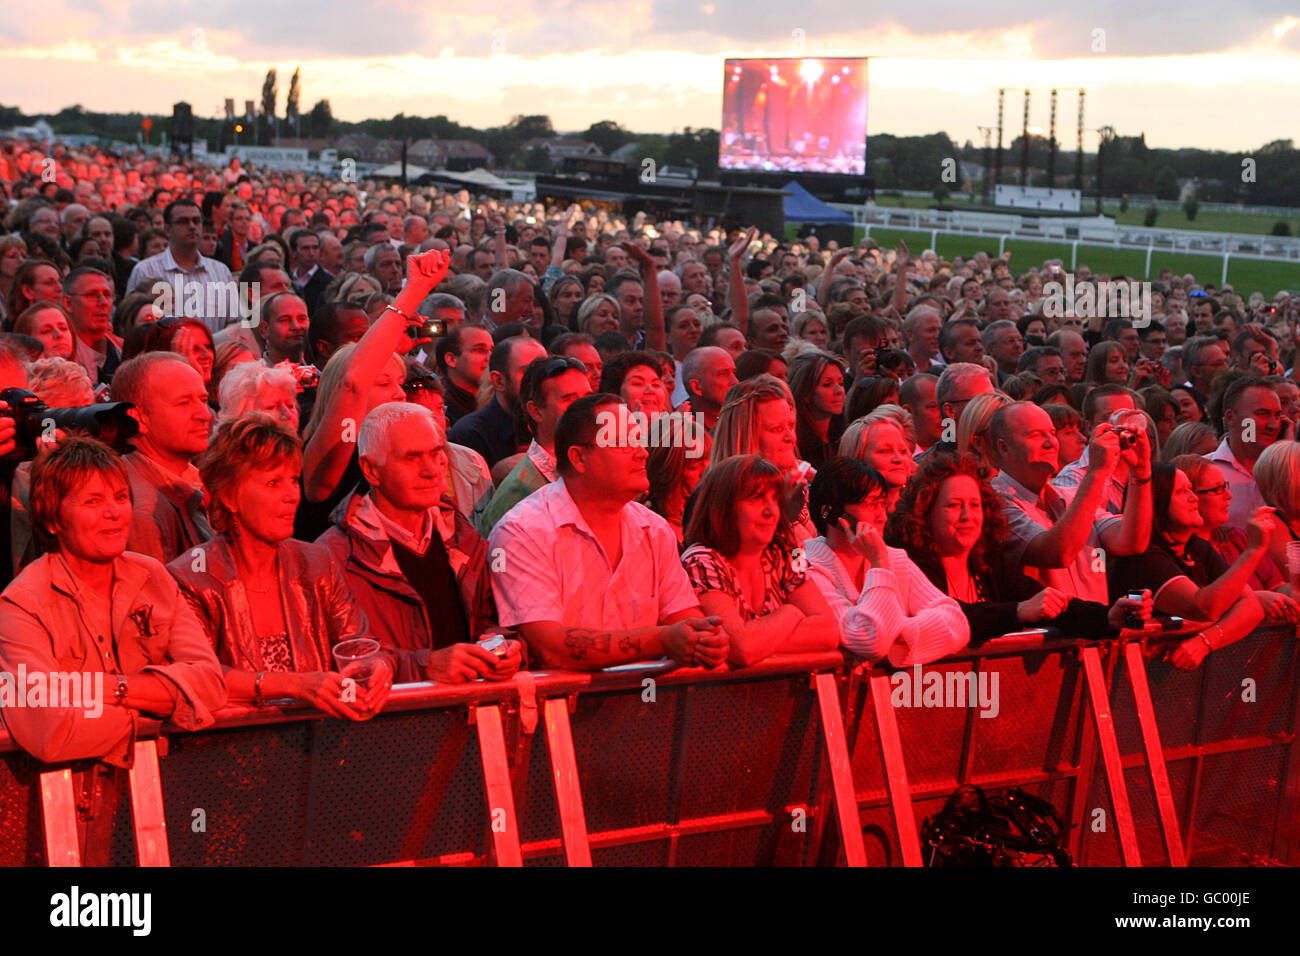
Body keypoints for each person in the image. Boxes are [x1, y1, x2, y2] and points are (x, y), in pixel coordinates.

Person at [0, 437, 225, 862]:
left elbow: (210, 684)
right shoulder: (21, 603)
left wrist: (107, 690)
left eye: (121, 497)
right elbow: (49, 729)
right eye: (92, 501)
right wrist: (164, 708)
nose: (114, 513)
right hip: (60, 824)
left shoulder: (154, 577)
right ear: (52, 518)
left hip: (166, 803)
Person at [170, 415, 393, 718]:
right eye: (274, 482)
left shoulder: (317, 563)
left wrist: (377, 666)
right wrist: (294, 685)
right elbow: (197, 674)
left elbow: (358, 646)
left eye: (294, 480)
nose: (291, 496)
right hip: (231, 741)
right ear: (229, 496)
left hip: (321, 738)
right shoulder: (190, 578)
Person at [488, 395, 729, 670]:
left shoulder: (654, 530)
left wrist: (705, 639)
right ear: (578, 458)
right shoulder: (522, 532)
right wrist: (662, 640)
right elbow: (550, 648)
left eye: (639, 440)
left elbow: (684, 617)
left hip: (645, 695)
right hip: (562, 697)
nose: (643, 453)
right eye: (624, 443)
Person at [318, 403, 522, 684]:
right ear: (371, 470)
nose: (431, 470)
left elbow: (486, 618)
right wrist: (425, 668)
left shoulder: (463, 536)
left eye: (435, 454)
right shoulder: (332, 558)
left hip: (468, 706)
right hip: (394, 711)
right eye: (412, 458)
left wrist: (502, 645)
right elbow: (346, 660)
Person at [888, 452, 1151, 645]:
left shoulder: (990, 561)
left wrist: (1109, 616)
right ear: (926, 512)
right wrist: (1018, 611)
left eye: (975, 505)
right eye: (953, 505)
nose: (967, 516)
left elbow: (1050, 603)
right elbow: (945, 615)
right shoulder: (908, 561)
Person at [804, 457, 969, 663]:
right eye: (871, 504)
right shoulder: (808, 567)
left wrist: (897, 630)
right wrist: (878, 564)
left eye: (883, 504)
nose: (882, 516)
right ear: (831, 512)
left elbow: (957, 622)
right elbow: (870, 640)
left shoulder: (893, 558)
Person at [680, 455, 838, 667]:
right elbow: (741, 648)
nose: (771, 511)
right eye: (756, 499)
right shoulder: (701, 560)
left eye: (775, 499)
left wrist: (757, 640)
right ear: (723, 506)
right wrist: (792, 612)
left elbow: (830, 631)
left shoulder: (785, 553)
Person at [989, 400, 1153, 604]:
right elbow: (1058, 553)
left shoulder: (1071, 496)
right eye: (1036, 435)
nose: (1050, 443)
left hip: (1097, 623)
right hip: (1049, 625)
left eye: (1051, 433)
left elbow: (1131, 542)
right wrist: (1097, 471)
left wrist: (1141, 472)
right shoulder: (995, 502)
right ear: (1004, 447)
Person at [1108, 463, 1268, 670]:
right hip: (1128, 674)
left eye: (1191, 489)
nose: (1194, 498)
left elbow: (1252, 606)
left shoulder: (1196, 546)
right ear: (1156, 502)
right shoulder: (1143, 555)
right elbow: (1203, 607)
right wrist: (1253, 551)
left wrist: (1204, 642)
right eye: (1181, 492)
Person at [111, 353, 214, 564]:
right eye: (184, 403)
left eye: (203, 400)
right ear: (139, 418)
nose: (205, 415)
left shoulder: (192, 481)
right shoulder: (144, 513)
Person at [477, 355, 592, 535]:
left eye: (588, 397)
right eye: (569, 399)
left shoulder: (592, 468)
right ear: (536, 411)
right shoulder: (519, 493)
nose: (585, 408)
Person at [711, 374, 817, 541]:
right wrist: (784, 515)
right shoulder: (724, 504)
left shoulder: (796, 483)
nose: (791, 437)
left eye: (791, 426)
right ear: (745, 438)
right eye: (776, 429)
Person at [1173, 454, 1287, 594]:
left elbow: (1277, 586)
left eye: (1225, 486)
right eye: (1217, 489)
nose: (1229, 495)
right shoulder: (1178, 556)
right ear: (1189, 497)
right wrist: (1259, 598)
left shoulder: (1236, 537)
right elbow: (1208, 604)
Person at [126, 198, 235, 332]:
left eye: (196, 221)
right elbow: (131, 322)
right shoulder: (146, 270)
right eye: (183, 222)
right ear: (167, 229)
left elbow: (233, 321)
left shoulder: (221, 272)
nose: (192, 226)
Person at [448, 334, 547, 468]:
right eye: (527, 372)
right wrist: (496, 476)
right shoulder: (469, 435)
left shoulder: (556, 422)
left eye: (544, 370)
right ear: (498, 381)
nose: (539, 379)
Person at [1206, 376, 1283, 530]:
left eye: (1277, 415)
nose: (1273, 425)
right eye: (1262, 413)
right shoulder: (1203, 471)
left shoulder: (1288, 472)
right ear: (1230, 417)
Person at [839, 407, 915, 510]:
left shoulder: (923, 507)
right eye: (884, 451)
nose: (898, 459)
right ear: (857, 458)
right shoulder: (842, 513)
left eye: (903, 451)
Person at [788, 350, 846, 471]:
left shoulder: (843, 437)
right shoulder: (794, 443)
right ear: (806, 393)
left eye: (841, 383)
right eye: (827, 384)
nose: (839, 391)